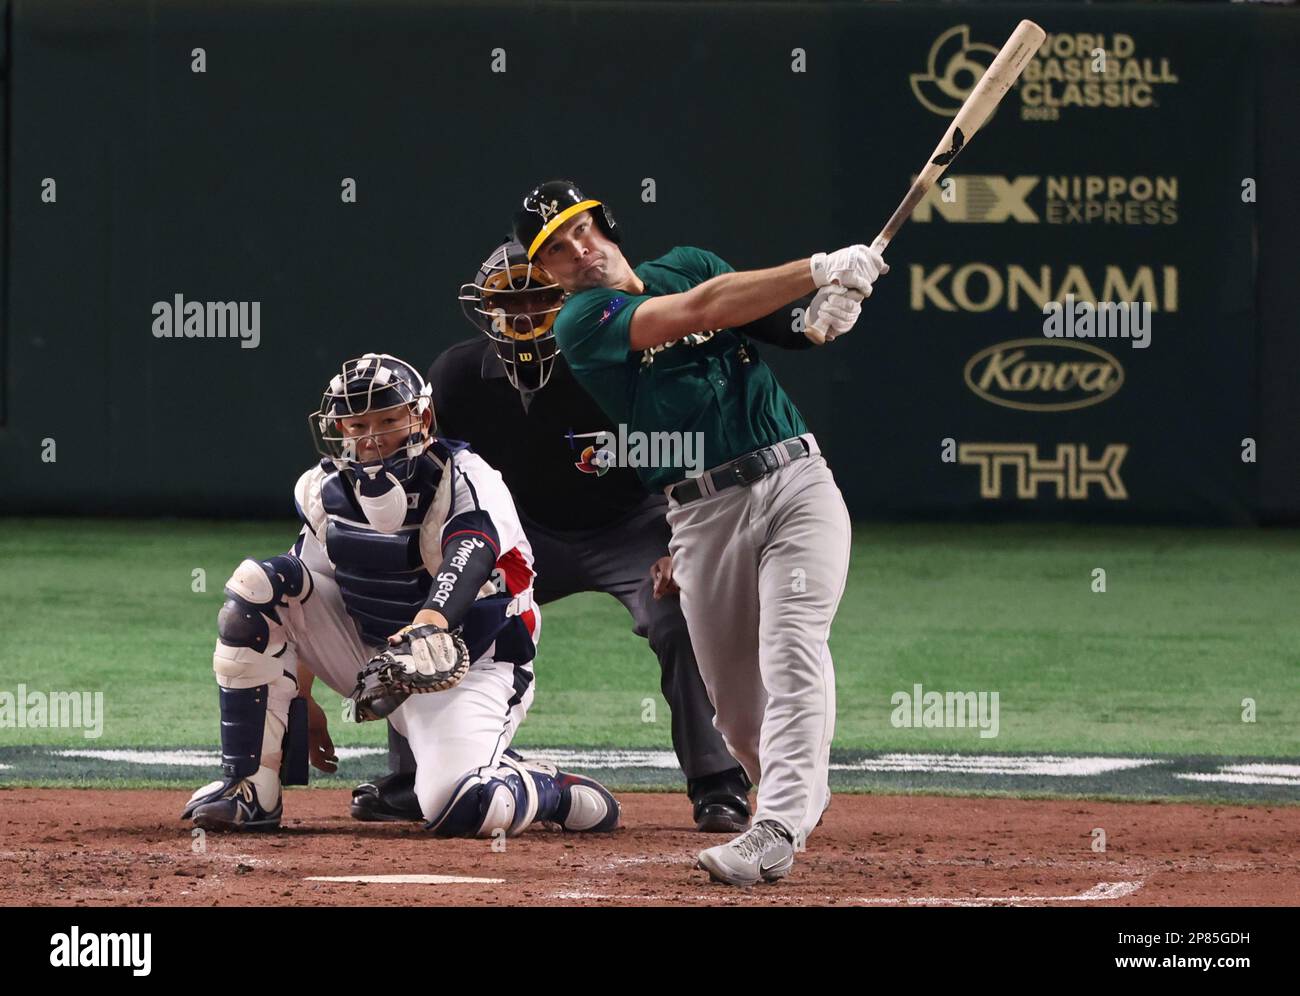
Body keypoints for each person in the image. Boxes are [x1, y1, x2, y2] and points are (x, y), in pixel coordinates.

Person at [511, 180, 886, 886]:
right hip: (703, 514)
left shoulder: (689, 260)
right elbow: (702, 311)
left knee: (792, 642)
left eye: (581, 231)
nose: (578, 252)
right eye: (556, 251)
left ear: (606, 224)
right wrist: (818, 268)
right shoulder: (582, 323)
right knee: (741, 721)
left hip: (797, 480)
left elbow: (775, 324)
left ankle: (774, 824)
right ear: (547, 274)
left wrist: (822, 316)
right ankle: (792, 789)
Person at [351, 241, 751, 833]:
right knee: (431, 604)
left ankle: (718, 781)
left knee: (678, 614)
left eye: (539, 295)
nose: (522, 312)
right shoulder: (457, 375)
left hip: (635, 524)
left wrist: (682, 546)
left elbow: (692, 456)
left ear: (571, 296)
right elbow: (439, 484)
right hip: (520, 530)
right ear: (482, 307)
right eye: (507, 300)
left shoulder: (619, 360)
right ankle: (415, 776)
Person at [182, 352, 620, 838]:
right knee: (260, 584)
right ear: (338, 429)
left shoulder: (467, 475)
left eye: (388, 419)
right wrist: (302, 699)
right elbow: (305, 588)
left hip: (472, 662)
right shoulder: (322, 488)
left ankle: (553, 789)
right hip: (377, 659)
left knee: (463, 807)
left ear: (420, 416)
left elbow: (470, 554)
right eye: (357, 423)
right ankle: (249, 788)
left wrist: (430, 621)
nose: (371, 438)